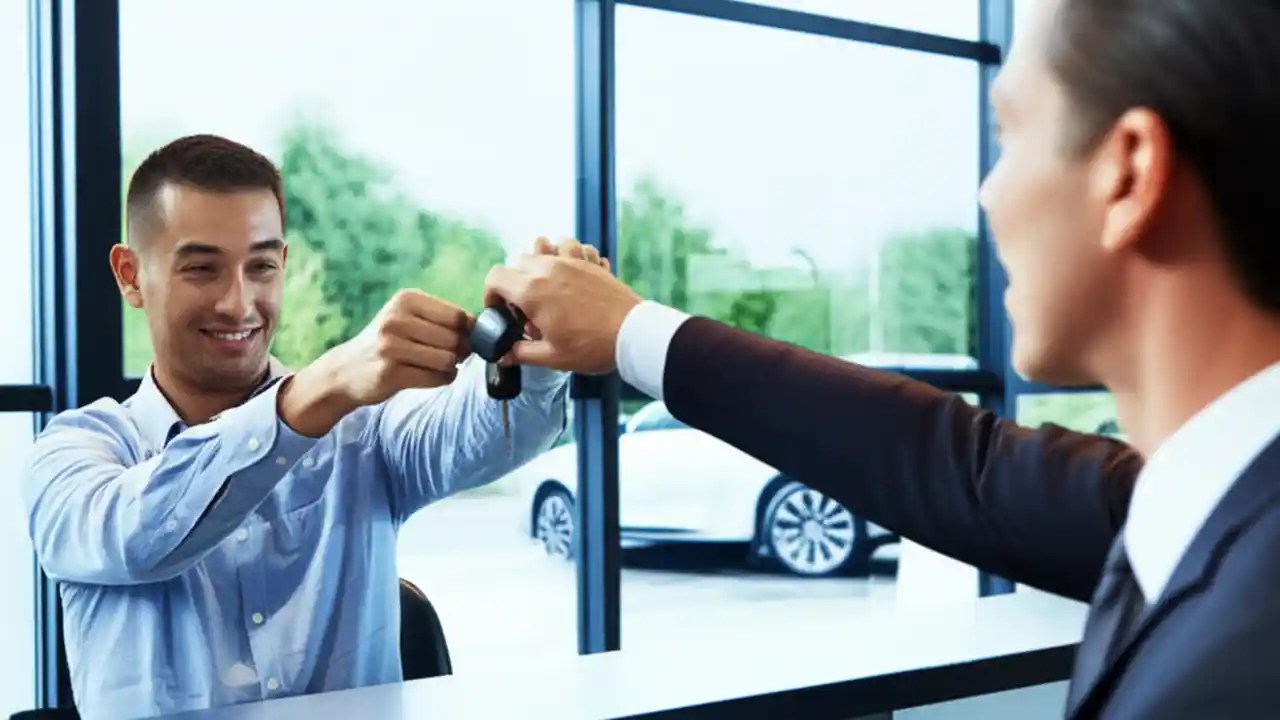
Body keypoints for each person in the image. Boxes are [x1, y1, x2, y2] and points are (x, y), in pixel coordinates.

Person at [485, 0, 1280, 717]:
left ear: (1129, 171)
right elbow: (957, 465)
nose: (986, 194)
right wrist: (632, 332)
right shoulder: (1210, 502)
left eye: (1007, 133)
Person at [22, 134, 579, 720]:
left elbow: (491, 434)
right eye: (202, 269)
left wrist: (534, 349)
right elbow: (137, 536)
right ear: (130, 275)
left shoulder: (365, 433)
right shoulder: (71, 454)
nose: (238, 304)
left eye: (260, 266)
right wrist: (321, 388)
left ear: (283, 264)